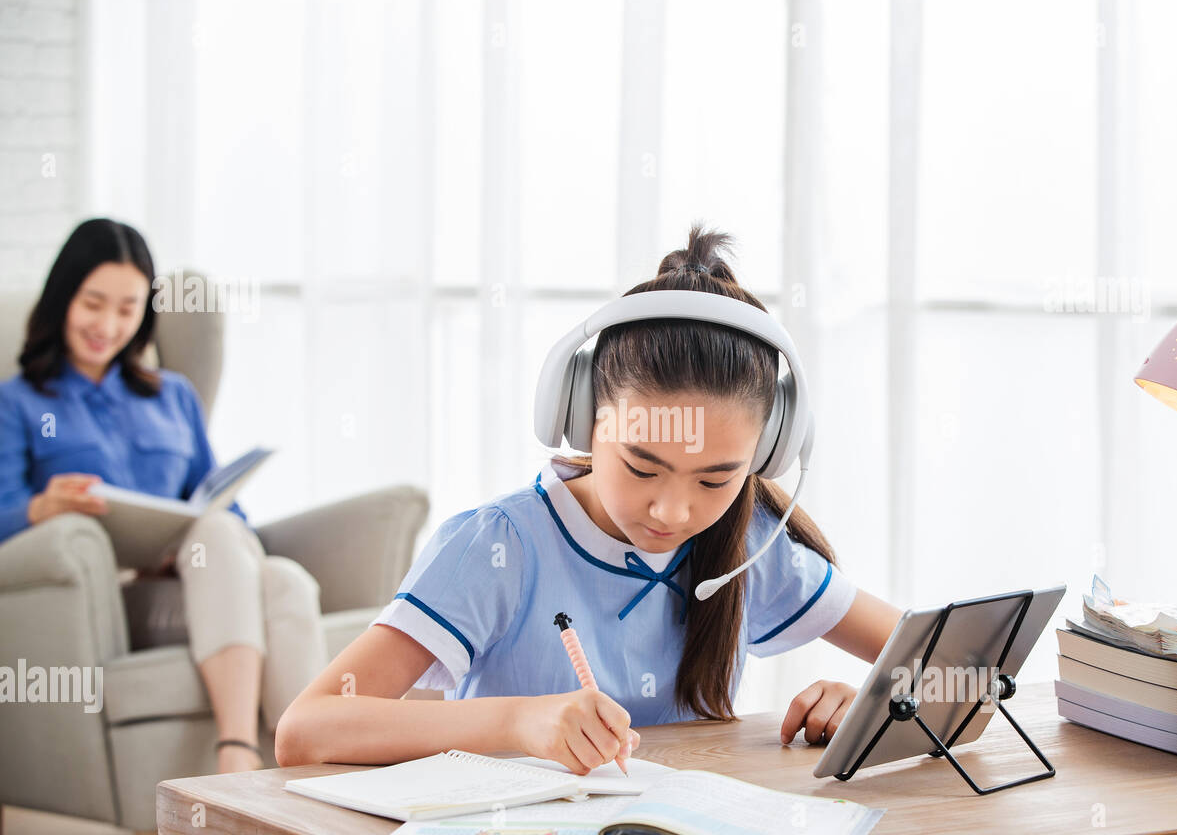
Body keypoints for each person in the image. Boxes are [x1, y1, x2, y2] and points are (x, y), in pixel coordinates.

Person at [275, 223, 903, 772]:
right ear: (582, 419)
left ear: (764, 457)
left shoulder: (748, 541)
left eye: (715, 479)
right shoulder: (499, 546)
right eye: (641, 466)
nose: (674, 513)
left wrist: (875, 711)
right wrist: (520, 723)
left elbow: (961, 672)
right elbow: (307, 729)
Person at [0, 217, 328, 774]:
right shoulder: (21, 402)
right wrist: (40, 508)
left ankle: (311, 778)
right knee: (243, 556)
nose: (107, 324)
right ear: (63, 300)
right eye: (93, 303)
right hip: (113, 600)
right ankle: (237, 753)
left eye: (126, 309)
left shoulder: (173, 395)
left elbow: (218, 500)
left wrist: (205, 538)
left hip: (199, 576)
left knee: (283, 577)